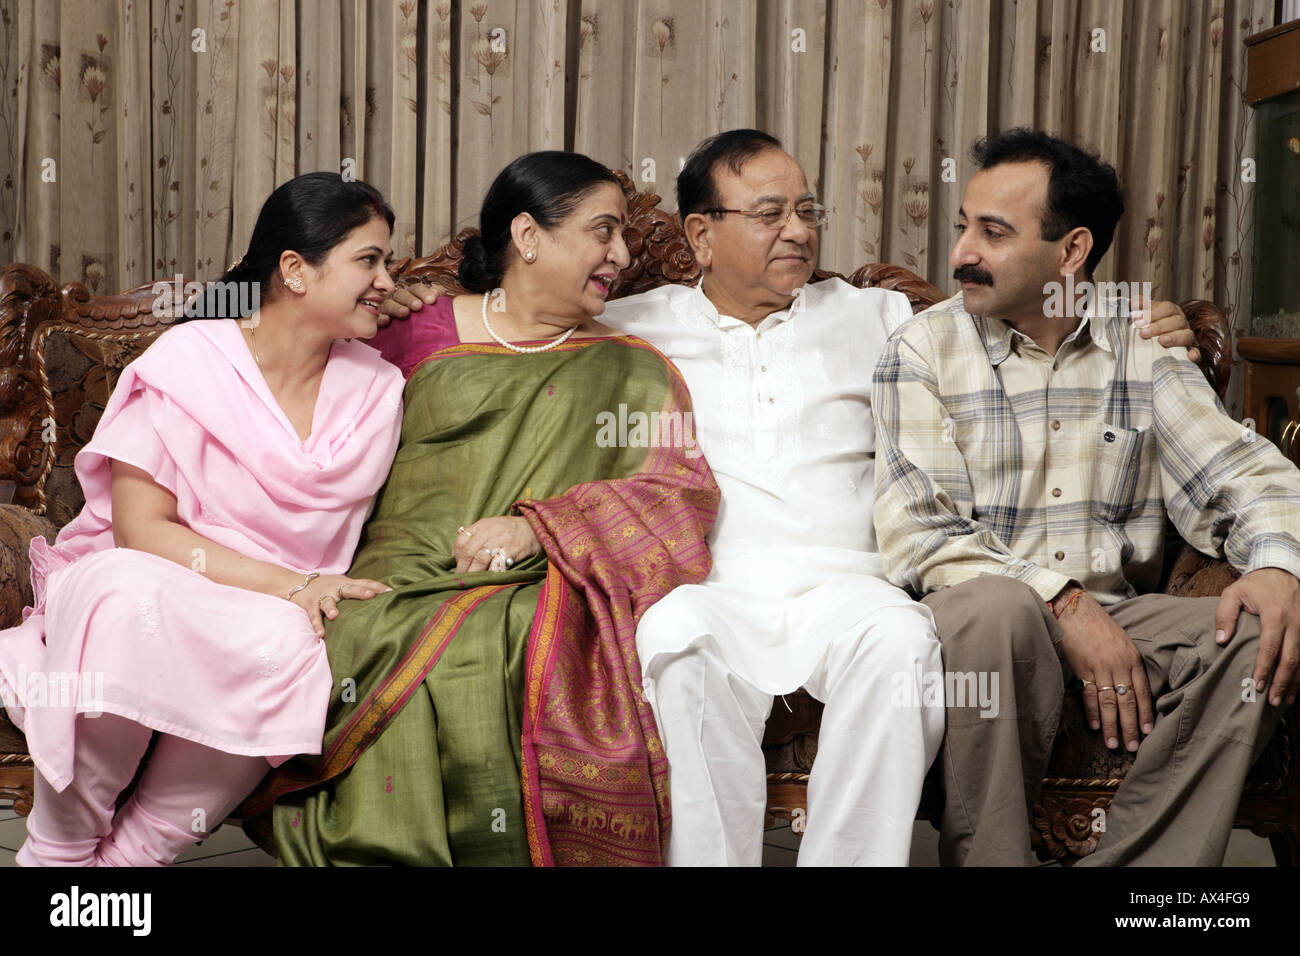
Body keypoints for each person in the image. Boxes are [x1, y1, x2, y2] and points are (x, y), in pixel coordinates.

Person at [386, 129, 1202, 866]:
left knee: (899, 648)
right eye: (770, 212)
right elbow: (517, 326)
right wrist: (412, 301)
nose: (801, 230)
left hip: (852, 583)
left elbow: (1014, 305)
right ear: (701, 235)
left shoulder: (882, 315)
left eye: (808, 210)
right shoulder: (631, 325)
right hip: (708, 583)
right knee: (671, 637)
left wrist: (1135, 313)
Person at [244, 151, 720, 866]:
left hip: (546, 581)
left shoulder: (634, 366)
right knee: (366, 627)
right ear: (528, 237)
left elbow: (677, 496)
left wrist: (539, 528)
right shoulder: (412, 329)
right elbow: (284, 403)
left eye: (623, 235)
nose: (622, 255)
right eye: (603, 231)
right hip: (397, 571)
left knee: (523, 641)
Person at [873, 128, 1300, 866]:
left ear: (1070, 253)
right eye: (963, 225)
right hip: (989, 615)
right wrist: (1061, 602)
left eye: (992, 232)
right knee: (998, 608)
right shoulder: (922, 350)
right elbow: (924, 534)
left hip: (1125, 614)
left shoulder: (1141, 344)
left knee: (1265, 629)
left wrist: (1275, 565)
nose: (959, 254)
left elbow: (1250, 475)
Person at [0, 172, 407, 866]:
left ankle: (130, 865)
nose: (388, 280)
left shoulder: (376, 388)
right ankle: (61, 853)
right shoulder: (193, 361)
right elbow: (143, 532)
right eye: (369, 260)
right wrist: (291, 583)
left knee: (288, 645)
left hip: (270, 605)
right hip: (154, 572)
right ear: (295, 271)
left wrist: (295, 592)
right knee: (123, 598)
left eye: (390, 262)